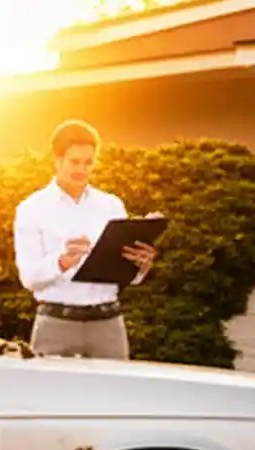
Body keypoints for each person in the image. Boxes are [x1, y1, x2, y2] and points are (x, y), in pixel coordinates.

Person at [12, 119, 157, 359]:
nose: (81, 169)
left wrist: (139, 267)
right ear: (57, 160)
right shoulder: (31, 209)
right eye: (74, 161)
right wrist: (62, 261)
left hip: (107, 324)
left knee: (115, 395)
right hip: (56, 324)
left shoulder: (111, 205)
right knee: (51, 396)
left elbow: (123, 274)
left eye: (88, 162)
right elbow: (29, 278)